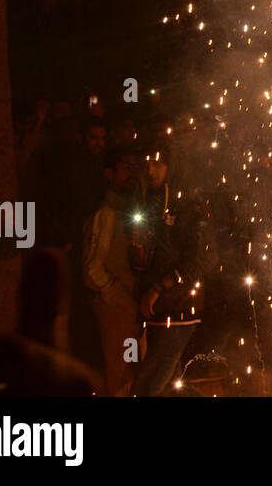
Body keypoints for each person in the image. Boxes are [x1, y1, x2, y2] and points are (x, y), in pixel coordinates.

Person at [130, 150, 211, 396]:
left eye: (157, 164)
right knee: (172, 386)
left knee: (148, 386)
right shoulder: (147, 202)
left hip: (179, 309)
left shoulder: (187, 204)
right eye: (146, 164)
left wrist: (158, 287)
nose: (150, 171)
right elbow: (146, 263)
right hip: (156, 311)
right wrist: (139, 250)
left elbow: (196, 261)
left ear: (171, 167)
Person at [81, 146, 142, 395]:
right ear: (110, 173)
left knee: (133, 371)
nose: (132, 174)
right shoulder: (105, 215)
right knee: (119, 372)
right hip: (116, 308)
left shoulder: (130, 211)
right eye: (126, 168)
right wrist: (112, 292)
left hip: (133, 306)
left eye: (135, 168)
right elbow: (91, 266)